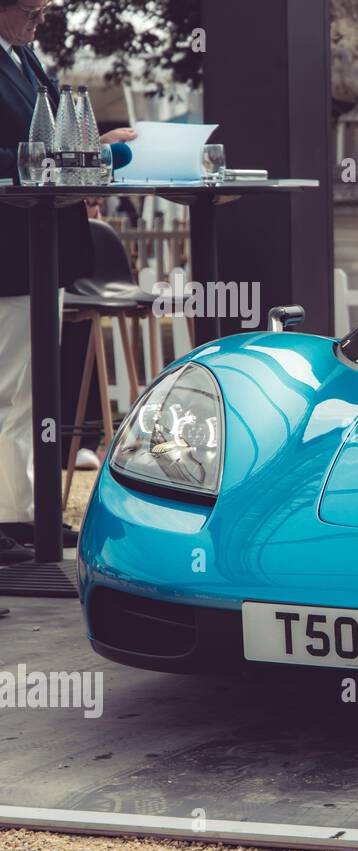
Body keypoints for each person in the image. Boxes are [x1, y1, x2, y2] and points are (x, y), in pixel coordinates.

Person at [0, 0, 135, 563]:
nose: (41, 16)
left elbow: (50, 140)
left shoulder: (25, 56)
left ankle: (31, 516)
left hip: (43, 246)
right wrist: (89, 156)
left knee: (30, 392)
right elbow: (27, 154)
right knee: (13, 390)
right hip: (10, 250)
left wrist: (93, 158)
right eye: (31, 7)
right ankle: (11, 522)